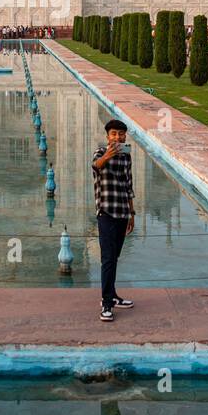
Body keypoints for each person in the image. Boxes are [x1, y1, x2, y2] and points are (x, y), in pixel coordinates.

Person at [90, 118, 136, 322]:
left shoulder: (126, 157)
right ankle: (106, 303)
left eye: (121, 134)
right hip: (106, 213)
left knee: (113, 257)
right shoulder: (100, 153)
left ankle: (113, 296)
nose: (118, 137)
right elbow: (96, 166)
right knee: (107, 259)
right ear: (108, 136)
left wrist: (132, 214)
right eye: (114, 134)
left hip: (122, 212)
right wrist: (108, 155)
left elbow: (128, 186)